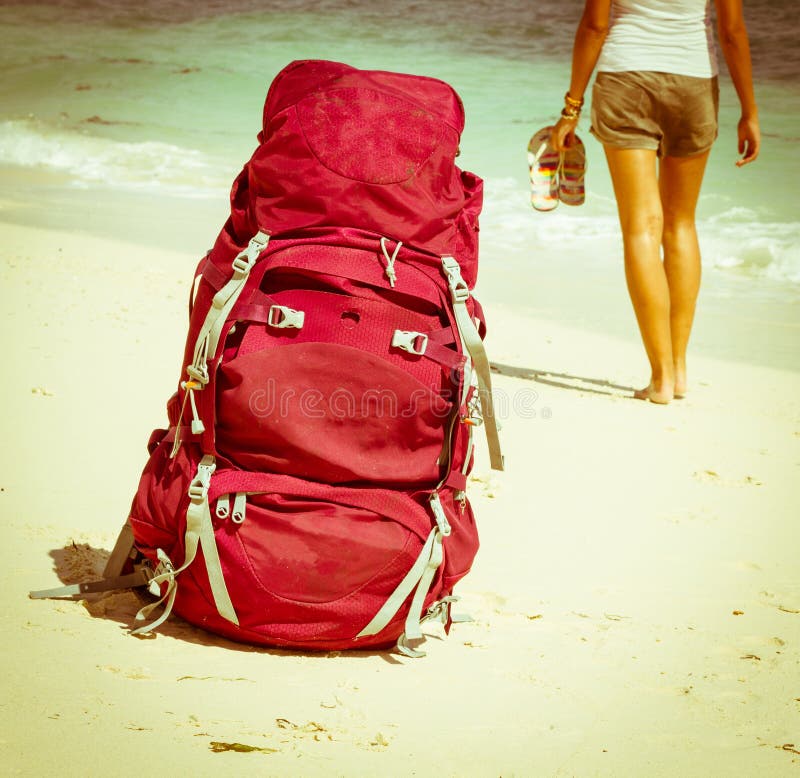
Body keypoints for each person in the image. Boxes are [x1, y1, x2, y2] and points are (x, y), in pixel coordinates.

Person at [551, 0, 760, 403]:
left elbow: (595, 26)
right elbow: (732, 31)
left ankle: (660, 377)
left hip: (626, 79)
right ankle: (678, 369)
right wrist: (749, 111)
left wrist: (571, 107)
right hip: (695, 83)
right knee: (681, 224)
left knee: (641, 228)